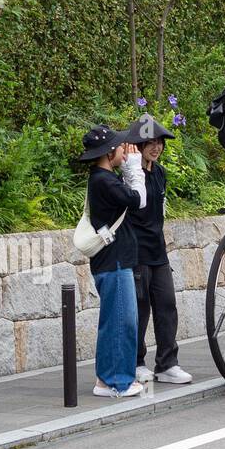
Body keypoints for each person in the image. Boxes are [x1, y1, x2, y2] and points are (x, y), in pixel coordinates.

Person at [79, 124, 147, 398]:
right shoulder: (104, 180)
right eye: (120, 148)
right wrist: (134, 168)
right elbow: (138, 200)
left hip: (112, 260)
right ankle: (118, 380)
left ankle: (105, 380)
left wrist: (128, 169)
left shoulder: (101, 178)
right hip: (115, 262)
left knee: (113, 320)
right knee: (122, 321)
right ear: (109, 153)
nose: (125, 150)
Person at [125, 114, 192, 385]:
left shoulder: (160, 173)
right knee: (140, 309)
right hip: (136, 250)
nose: (156, 147)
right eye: (150, 142)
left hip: (158, 250)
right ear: (138, 145)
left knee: (167, 305)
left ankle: (167, 363)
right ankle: (136, 362)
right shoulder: (131, 174)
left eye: (160, 143)